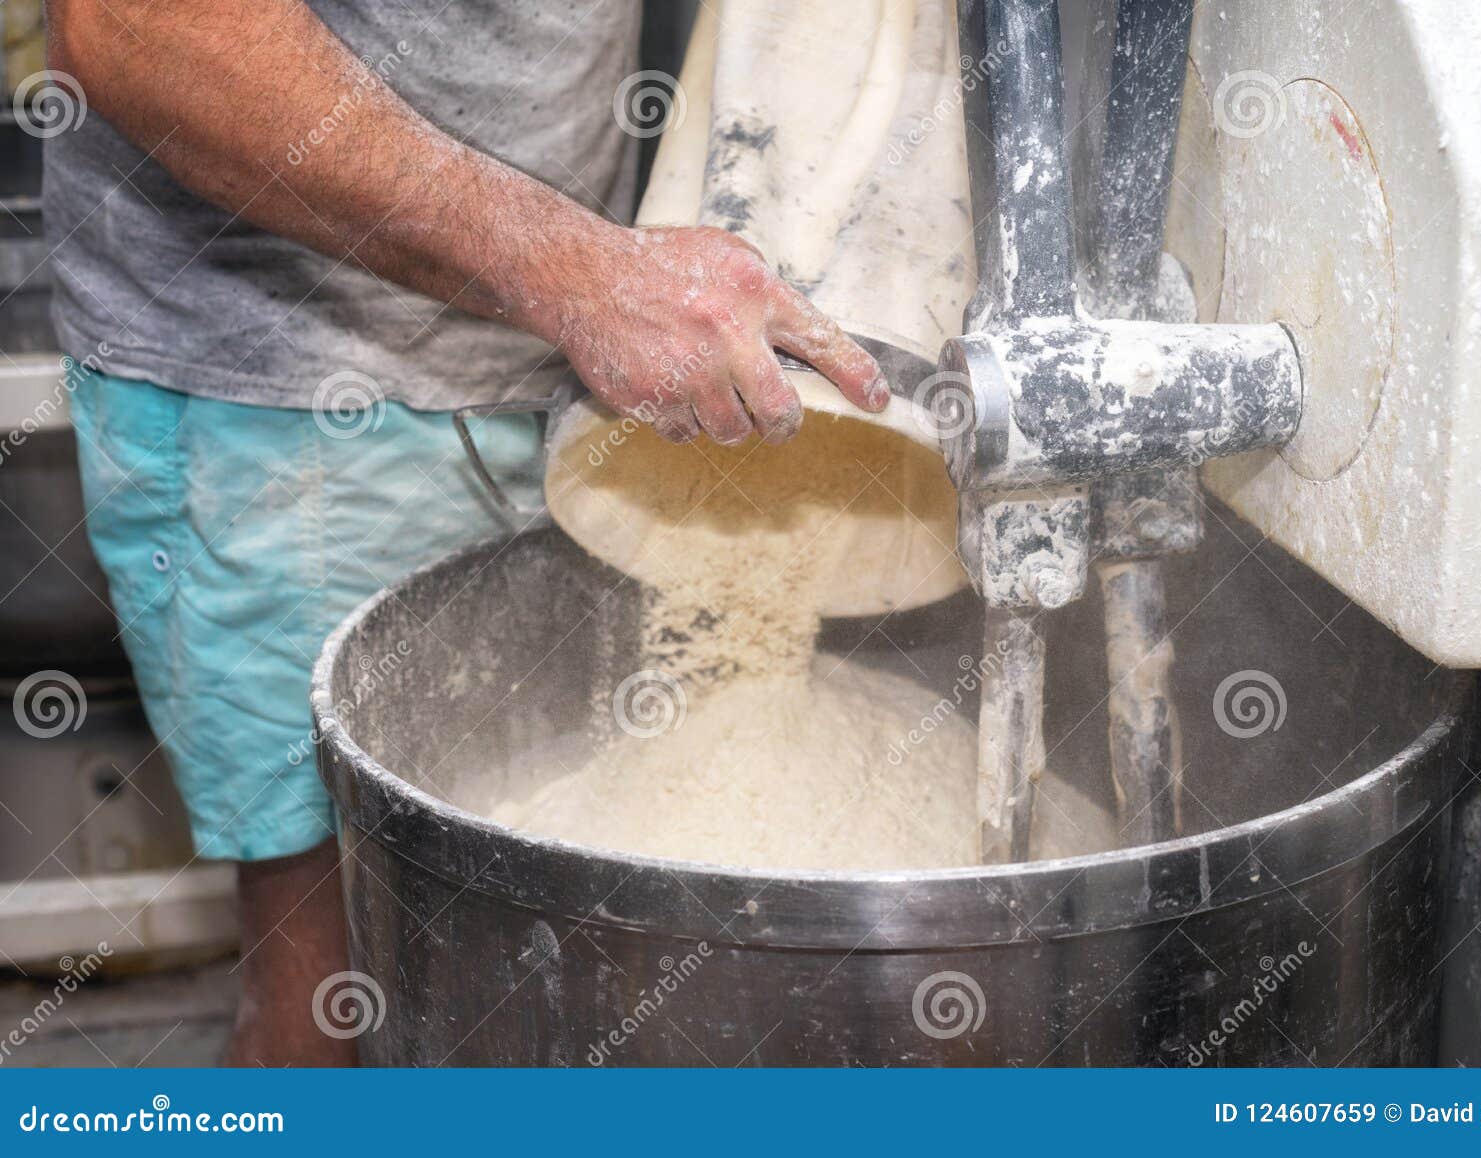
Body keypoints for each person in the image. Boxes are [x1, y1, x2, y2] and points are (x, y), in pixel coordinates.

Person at [43, 0, 886, 1065]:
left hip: (560, 351)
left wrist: (592, 286)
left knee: (518, 965)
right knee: (345, 996)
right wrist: (582, 275)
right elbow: (141, 28)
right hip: (305, 394)